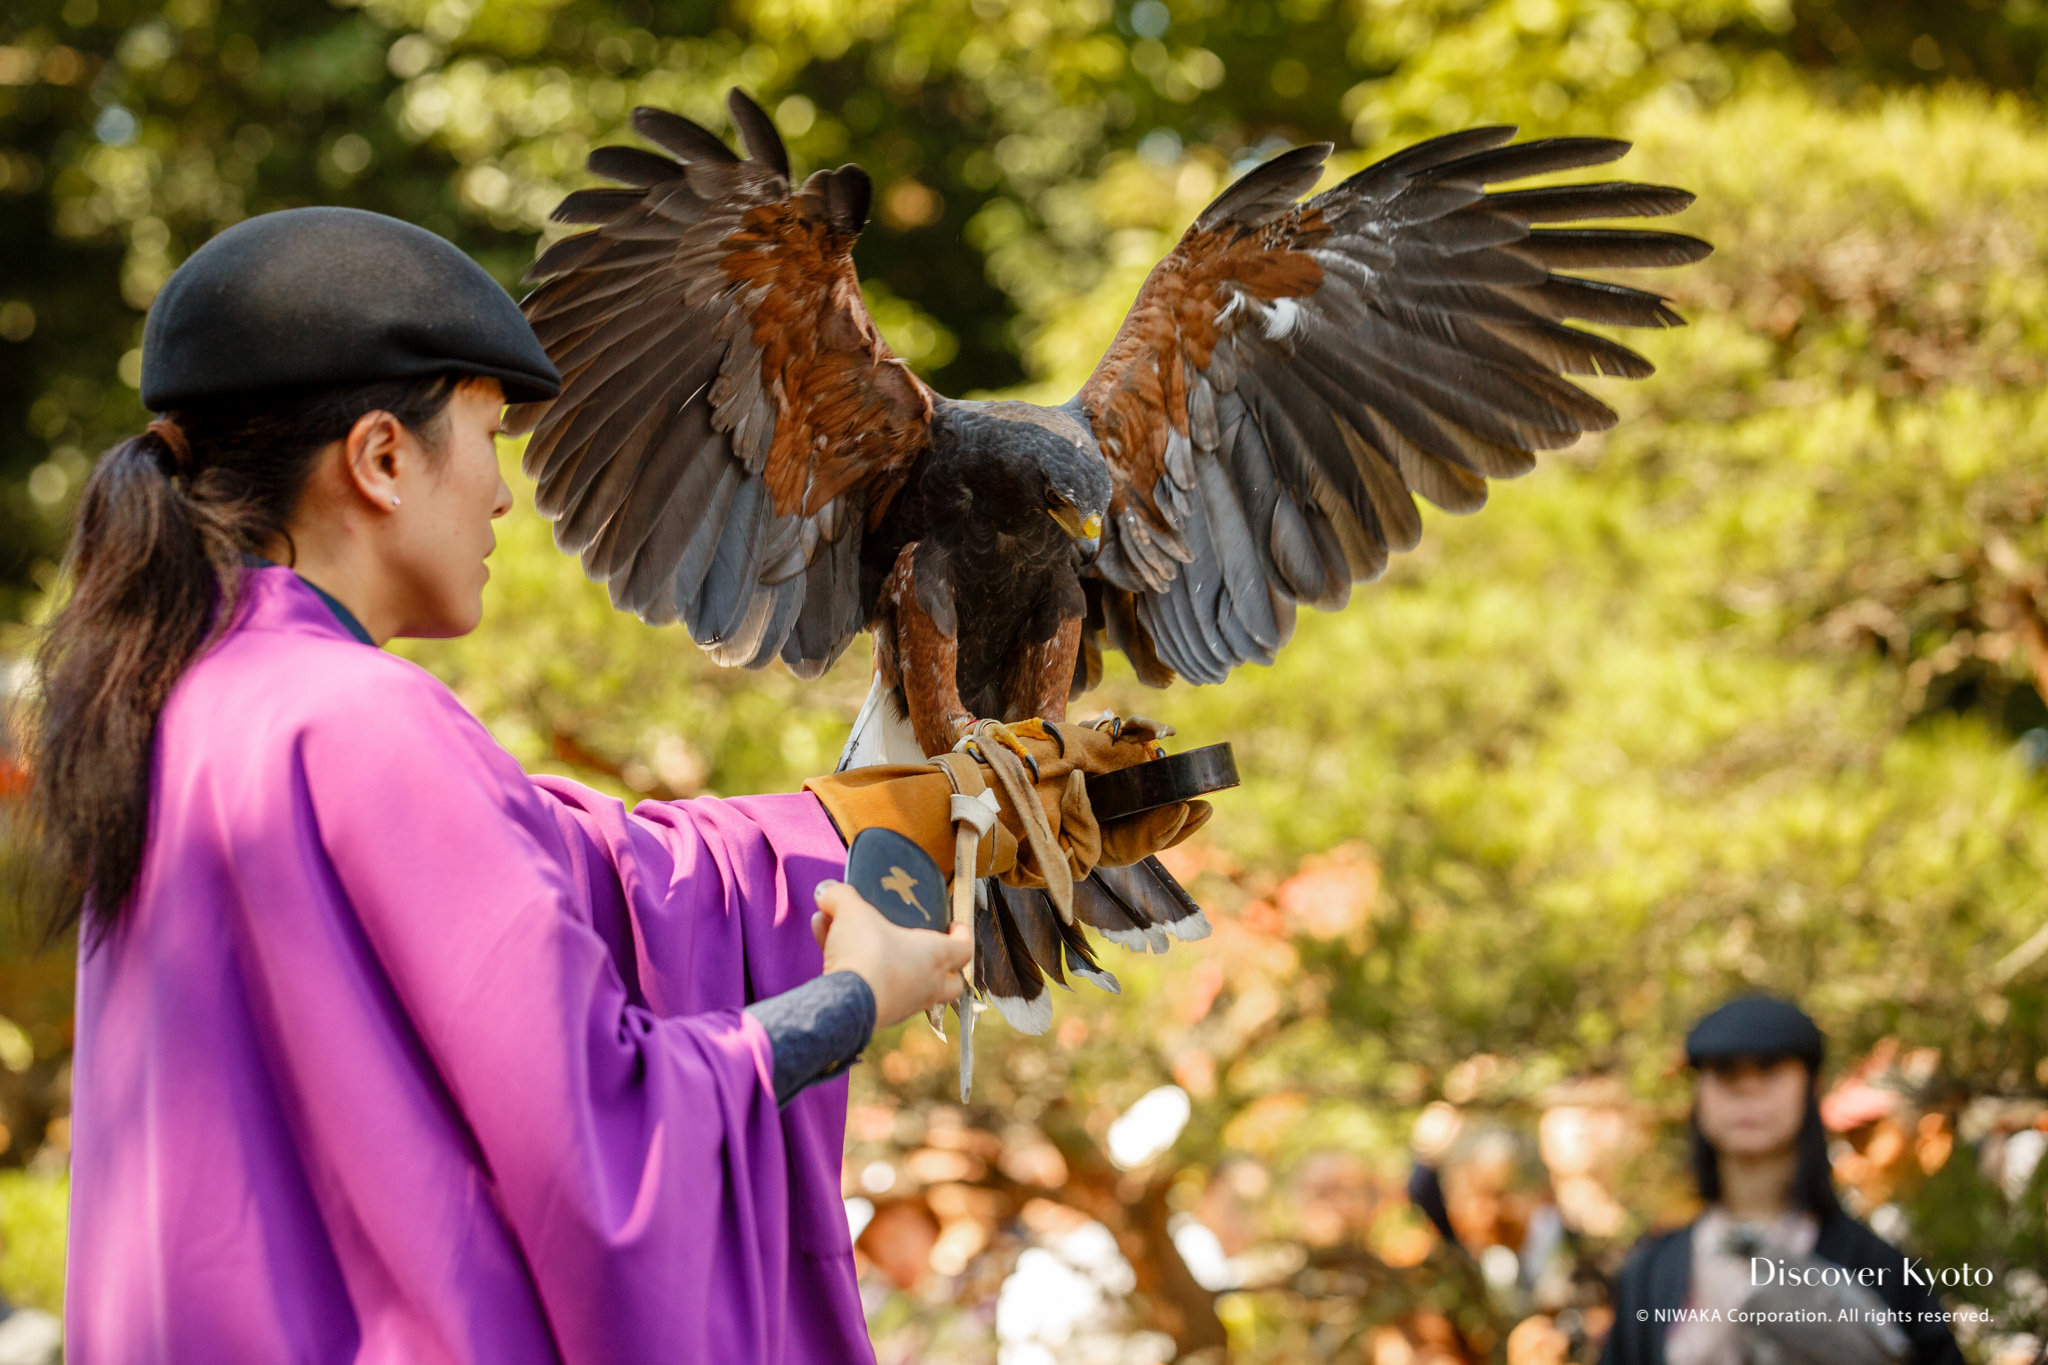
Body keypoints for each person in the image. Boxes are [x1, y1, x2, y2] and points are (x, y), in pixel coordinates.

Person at [27, 207, 1206, 1363]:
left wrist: (928, 821)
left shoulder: (194, 708)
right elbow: (599, 1132)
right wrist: (850, 999)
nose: (500, 497)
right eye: (487, 440)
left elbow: (603, 873)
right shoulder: (359, 720)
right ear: (383, 458)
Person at [1600, 996, 1963, 1365]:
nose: (1747, 1088)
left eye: (1769, 1068)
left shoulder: (1880, 1268)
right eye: (1724, 1070)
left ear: (1811, 1087)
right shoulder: (1649, 1274)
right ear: (1699, 1095)